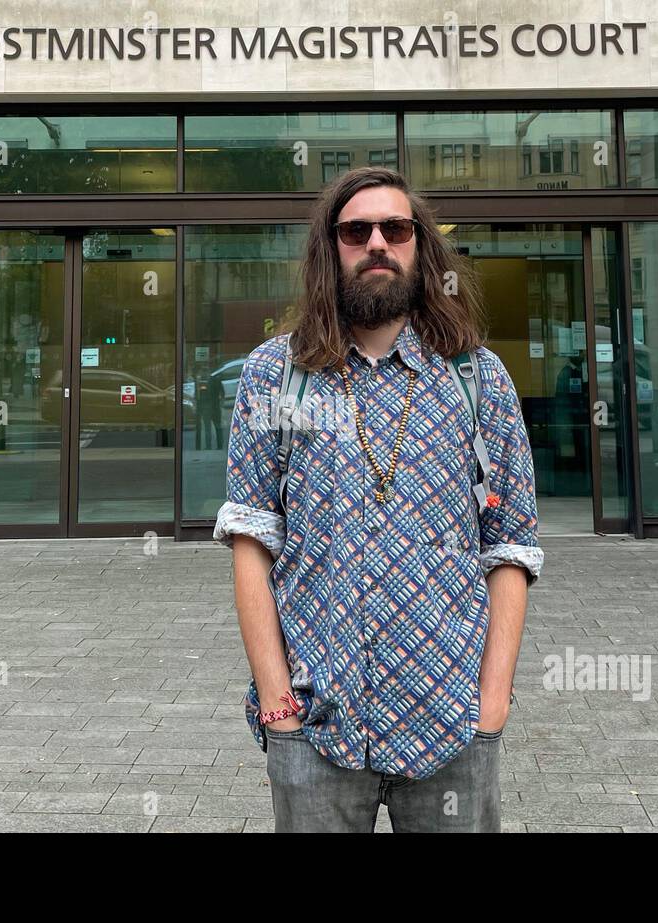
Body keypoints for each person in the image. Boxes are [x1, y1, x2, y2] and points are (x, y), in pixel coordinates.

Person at [213, 166, 543, 833]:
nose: (376, 243)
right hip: (317, 727)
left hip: (451, 725)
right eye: (355, 230)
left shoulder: (477, 379)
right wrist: (278, 702)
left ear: (421, 246)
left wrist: (492, 702)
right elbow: (251, 538)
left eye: (395, 228)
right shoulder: (275, 377)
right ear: (329, 249)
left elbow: (508, 543)